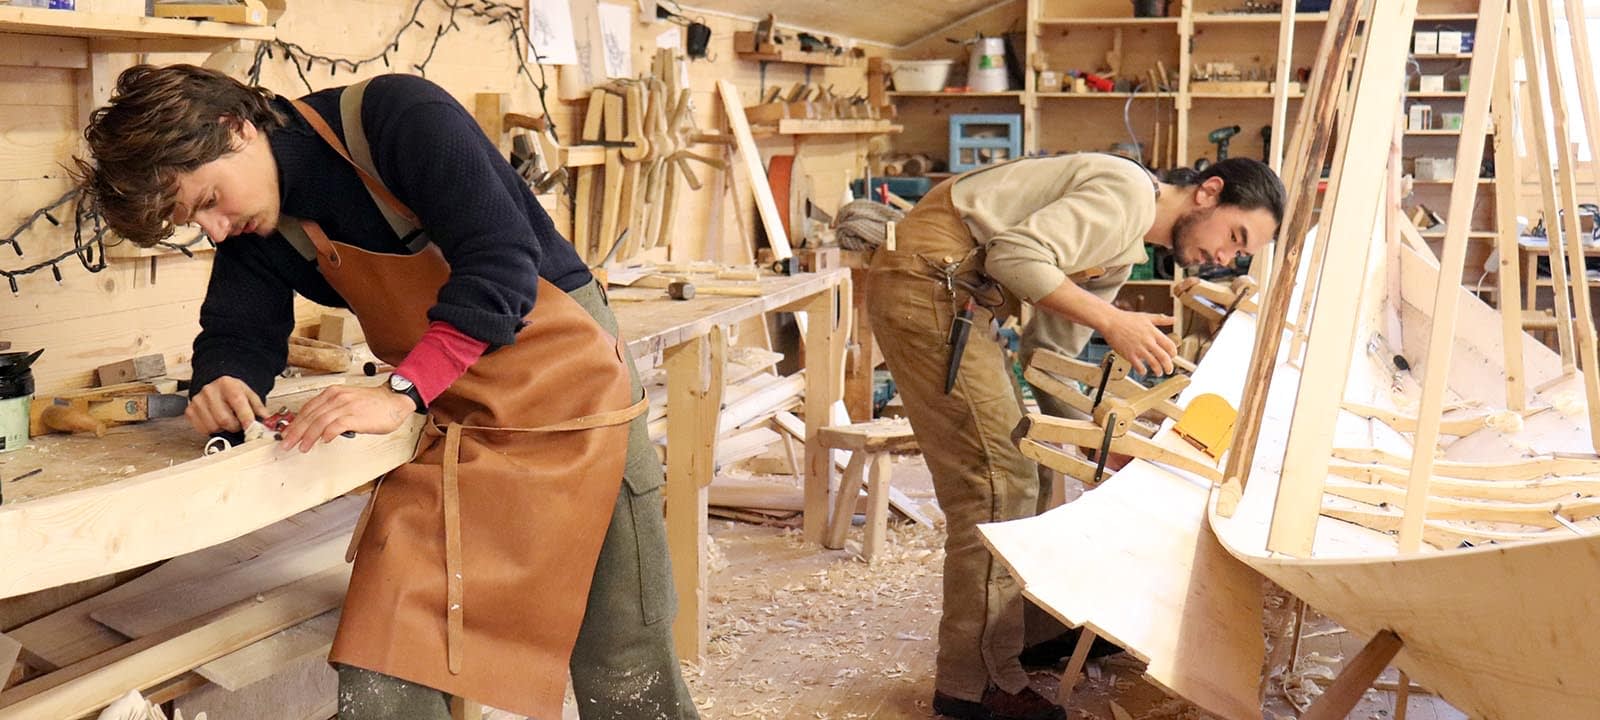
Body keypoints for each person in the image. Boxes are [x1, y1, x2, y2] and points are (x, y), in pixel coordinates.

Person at [76, 64, 699, 720]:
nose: (215, 230)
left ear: (235, 128)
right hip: (452, 409)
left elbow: (501, 259)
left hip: (571, 388)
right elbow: (238, 328)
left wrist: (404, 391)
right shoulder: (256, 225)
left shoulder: (395, 119)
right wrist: (222, 381)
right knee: (389, 646)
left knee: (622, 650)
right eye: (192, 222)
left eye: (206, 201)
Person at [867, 153, 1284, 720]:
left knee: (1033, 464)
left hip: (954, 292)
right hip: (926, 285)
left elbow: (1051, 351)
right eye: (1235, 236)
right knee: (997, 485)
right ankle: (974, 684)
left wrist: (1103, 438)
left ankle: (1029, 633)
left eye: (1241, 254)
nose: (1224, 258)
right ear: (1208, 192)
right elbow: (1014, 255)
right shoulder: (1128, 195)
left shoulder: (1122, 247)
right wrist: (1113, 322)